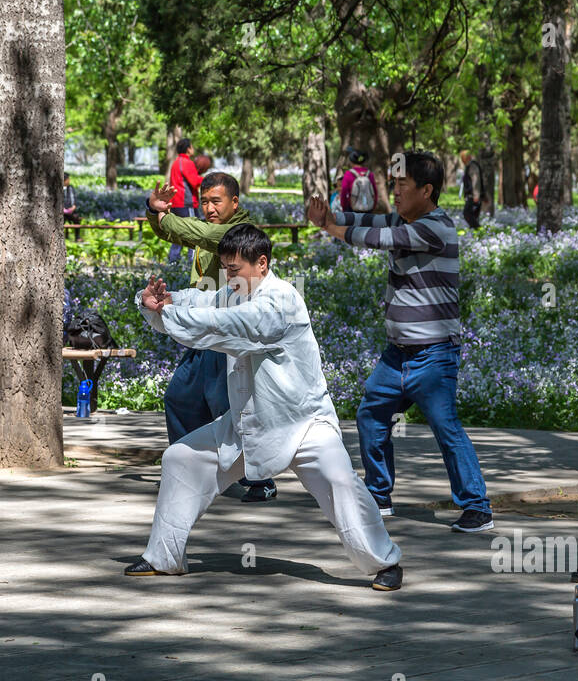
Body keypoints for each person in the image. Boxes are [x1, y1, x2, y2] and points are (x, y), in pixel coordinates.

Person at [125, 224, 405, 591]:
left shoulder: (280, 302)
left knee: (341, 483)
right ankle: (163, 557)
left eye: (235, 269)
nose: (229, 277)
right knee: (181, 459)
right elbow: (205, 303)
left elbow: (226, 326)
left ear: (262, 263)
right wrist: (165, 302)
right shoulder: (237, 291)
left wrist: (171, 314)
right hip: (249, 422)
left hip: (303, 423)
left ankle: (385, 561)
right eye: (225, 269)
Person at [307, 151, 493, 532]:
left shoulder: (435, 227)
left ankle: (477, 507)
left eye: (401, 185)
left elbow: (377, 238)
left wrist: (329, 228)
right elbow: (363, 219)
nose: (394, 192)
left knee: (445, 426)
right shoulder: (403, 217)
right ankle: (378, 497)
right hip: (396, 355)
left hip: (435, 354)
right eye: (392, 184)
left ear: (427, 190)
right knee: (372, 416)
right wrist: (329, 217)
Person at [144, 172, 278, 501]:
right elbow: (181, 234)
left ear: (235, 202)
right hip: (206, 326)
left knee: (229, 405)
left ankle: (262, 478)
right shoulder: (212, 230)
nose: (208, 208)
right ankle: (189, 470)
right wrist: (154, 213)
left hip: (233, 332)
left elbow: (197, 232)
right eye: (203, 201)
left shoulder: (238, 232)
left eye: (216, 201)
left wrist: (164, 216)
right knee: (181, 397)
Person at [165, 138, 203, 264]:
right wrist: (208, 179)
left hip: (176, 203)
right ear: (188, 149)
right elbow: (195, 181)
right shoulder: (187, 162)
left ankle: (172, 263)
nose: (193, 148)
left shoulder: (175, 163)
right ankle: (193, 263)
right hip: (187, 204)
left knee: (178, 234)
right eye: (192, 146)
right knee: (194, 234)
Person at [332, 147, 372, 213]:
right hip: (367, 208)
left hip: (352, 209)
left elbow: (344, 193)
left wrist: (344, 208)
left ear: (351, 161)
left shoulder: (348, 174)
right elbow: (374, 193)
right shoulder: (369, 173)